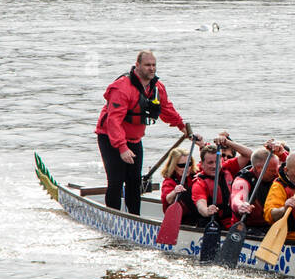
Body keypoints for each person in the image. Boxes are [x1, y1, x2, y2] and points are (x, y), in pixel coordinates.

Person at [94, 50, 189, 214]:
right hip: (110, 137)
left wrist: (182, 126)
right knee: (116, 180)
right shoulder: (122, 88)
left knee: (134, 180)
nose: (151, 69)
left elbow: (166, 109)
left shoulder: (157, 87)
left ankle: (134, 217)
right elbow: (113, 121)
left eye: (154, 65)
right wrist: (122, 148)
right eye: (147, 65)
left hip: (134, 139)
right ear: (137, 66)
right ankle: (112, 216)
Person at [190, 133, 253, 228]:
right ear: (202, 164)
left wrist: (227, 142)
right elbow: (200, 205)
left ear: (221, 161)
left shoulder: (227, 167)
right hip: (213, 223)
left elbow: (249, 155)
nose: (214, 166)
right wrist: (207, 211)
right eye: (210, 163)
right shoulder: (199, 183)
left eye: (217, 162)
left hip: (233, 221)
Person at [230, 142, 286, 230]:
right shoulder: (242, 180)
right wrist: (240, 206)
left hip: (271, 224)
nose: (276, 173)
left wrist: (282, 154)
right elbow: (237, 198)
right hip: (247, 227)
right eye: (272, 170)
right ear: (258, 168)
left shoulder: (276, 171)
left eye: (276, 169)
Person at [160, 144, 196, 215]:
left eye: (189, 164)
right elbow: (168, 199)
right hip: (180, 219)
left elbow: (208, 164)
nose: (186, 168)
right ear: (174, 166)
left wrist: (202, 145)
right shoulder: (169, 182)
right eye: (182, 165)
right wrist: (175, 192)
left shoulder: (195, 175)